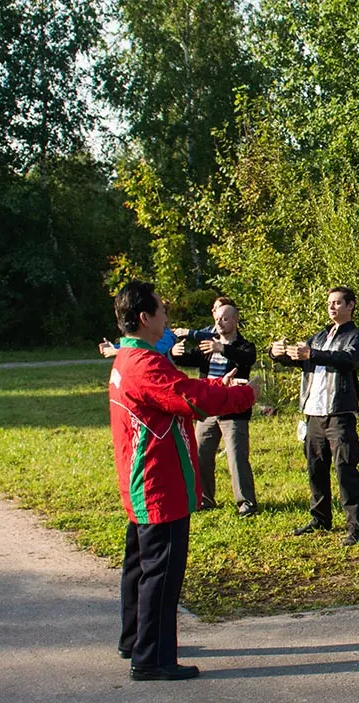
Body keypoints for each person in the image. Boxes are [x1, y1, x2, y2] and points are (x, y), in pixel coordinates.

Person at [107, 281, 255, 680]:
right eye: (162, 310)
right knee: (161, 571)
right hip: (159, 484)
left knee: (139, 566)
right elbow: (191, 400)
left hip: (144, 481)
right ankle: (152, 658)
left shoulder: (128, 358)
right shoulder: (144, 364)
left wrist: (215, 386)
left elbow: (182, 392)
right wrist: (243, 396)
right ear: (144, 317)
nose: (167, 317)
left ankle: (135, 638)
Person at [270, 286, 359, 546]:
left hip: (339, 413)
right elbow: (299, 359)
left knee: (345, 469)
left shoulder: (356, 336)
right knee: (316, 468)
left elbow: (349, 360)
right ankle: (320, 518)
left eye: (337, 303)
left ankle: (356, 528)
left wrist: (311, 353)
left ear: (351, 305)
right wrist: (278, 353)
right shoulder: (319, 336)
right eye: (329, 303)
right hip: (313, 413)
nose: (332, 307)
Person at [171, 299, 259, 517]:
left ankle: (246, 503)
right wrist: (175, 352)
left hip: (234, 411)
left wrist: (223, 348)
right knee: (201, 454)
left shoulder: (243, 346)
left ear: (235, 321)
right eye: (217, 319)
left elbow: (248, 358)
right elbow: (189, 360)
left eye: (225, 318)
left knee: (237, 457)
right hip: (207, 410)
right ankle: (204, 499)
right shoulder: (208, 344)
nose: (219, 323)